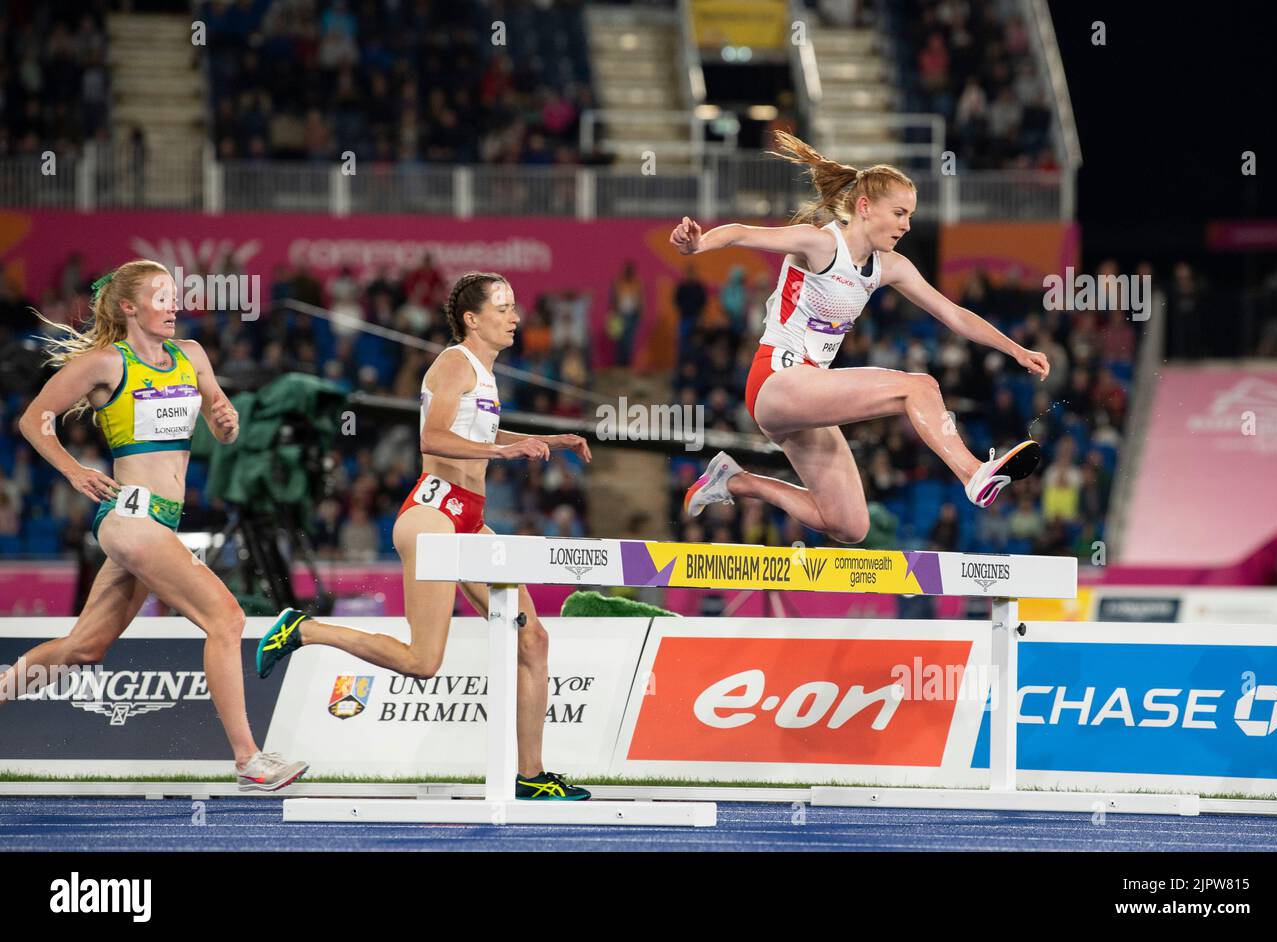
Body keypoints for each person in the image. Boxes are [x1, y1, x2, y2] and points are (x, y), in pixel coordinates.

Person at [256, 272, 594, 800]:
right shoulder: (454, 362)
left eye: (514, 306)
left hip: (468, 518)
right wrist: (505, 453)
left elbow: (477, 432)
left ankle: (531, 776)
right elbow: (432, 437)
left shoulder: (482, 371)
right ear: (472, 319)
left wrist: (542, 438)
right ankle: (303, 630)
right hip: (433, 516)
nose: (516, 316)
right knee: (423, 661)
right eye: (503, 307)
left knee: (533, 639)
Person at [3, 259, 308, 791]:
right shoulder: (106, 363)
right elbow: (33, 419)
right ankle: (248, 760)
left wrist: (226, 421)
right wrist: (75, 472)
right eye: (162, 297)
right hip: (129, 516)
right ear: (129, 307)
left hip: (161, 522)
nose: (174, 305)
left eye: (174, 295)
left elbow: (221, 420)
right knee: (227, 619)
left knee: (85, 648)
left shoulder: (190, 356)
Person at [674, 132, 1049, 543]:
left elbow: (953, 314)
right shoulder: (818, 244)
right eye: (900, 213)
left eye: (910, 216)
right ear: (866, 208)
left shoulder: (891, 266)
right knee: (919, 386)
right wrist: (698, 245)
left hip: (808, 395)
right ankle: (972, 471)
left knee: (849, 525)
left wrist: (1015, 349)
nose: (907, 225)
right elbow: (742, 232)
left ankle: (737, 482)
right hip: (776, 383)